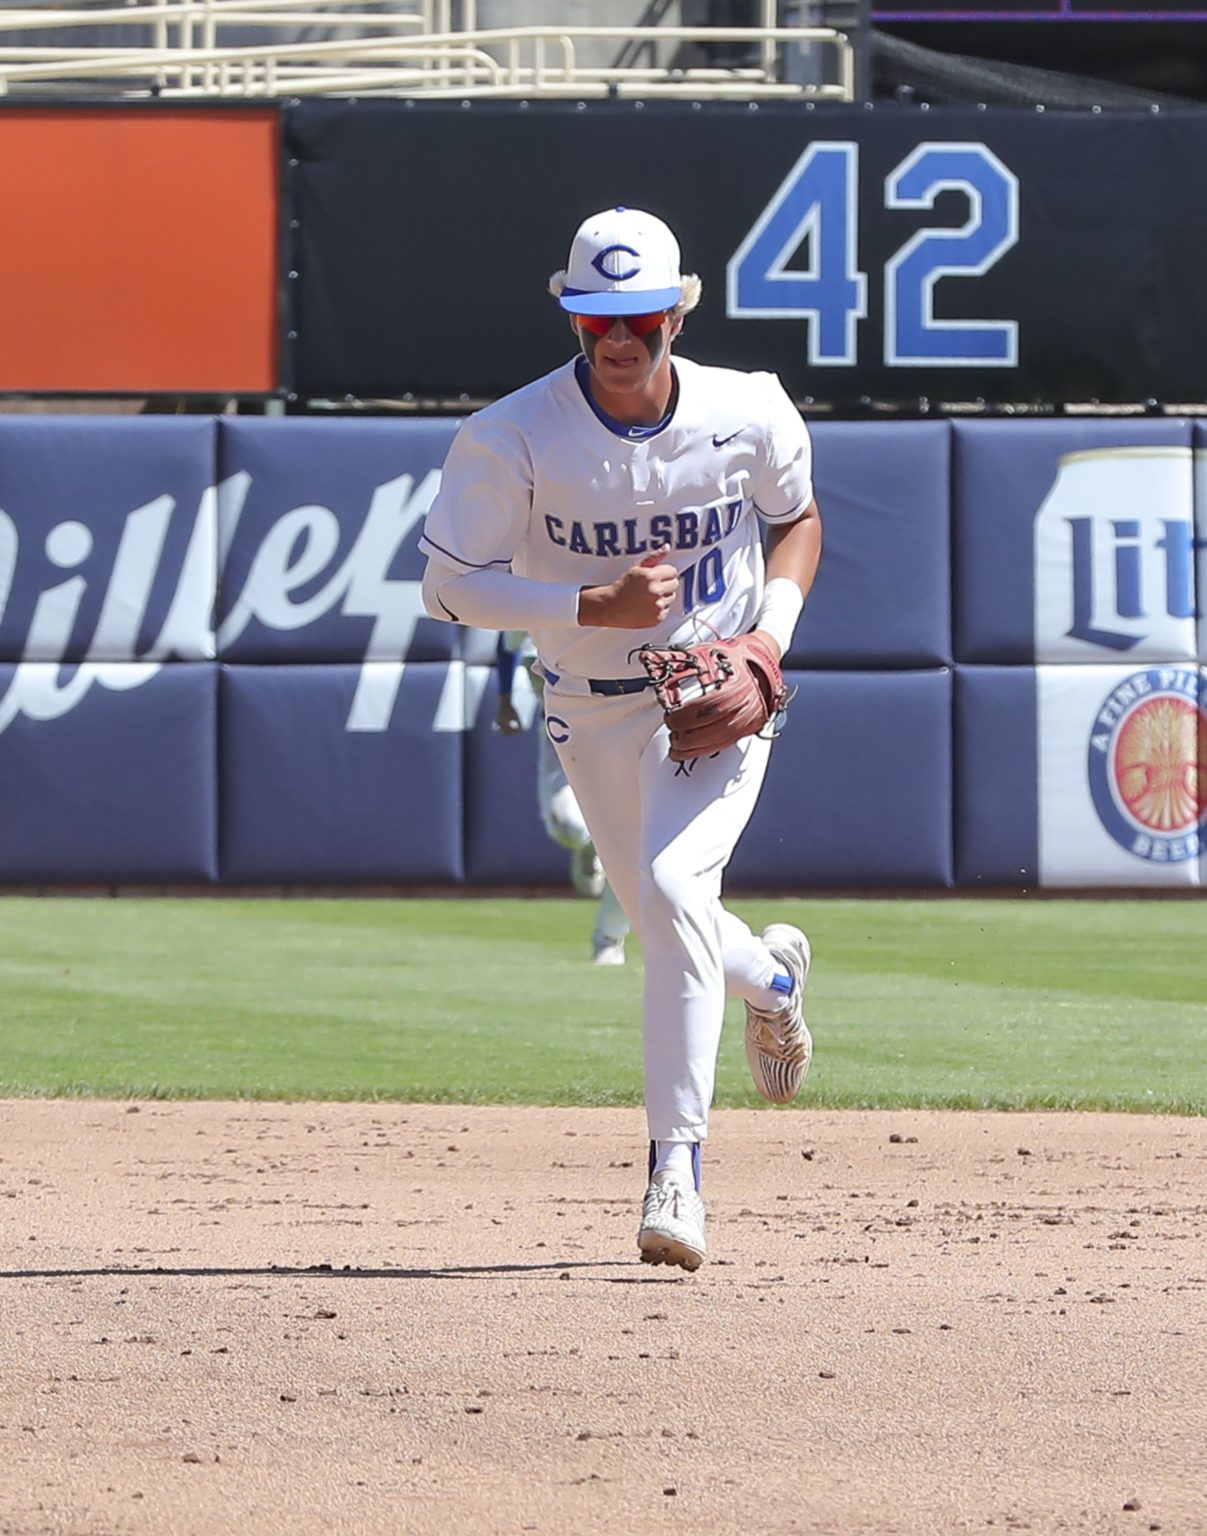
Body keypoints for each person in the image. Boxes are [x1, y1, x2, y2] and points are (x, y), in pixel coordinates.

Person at [421, 206, 822, 1271]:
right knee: (657, 915)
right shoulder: (510, 435)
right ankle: (774, 984)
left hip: (717, 689)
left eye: (637, 312)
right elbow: (448, 586)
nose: (618, 334)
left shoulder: (749, 411)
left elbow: (796, 518)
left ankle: (675, 1174)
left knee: (676, 890)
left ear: (676, 312)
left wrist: (768, 639)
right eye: (597, 316)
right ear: (572, 319)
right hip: (589, 700)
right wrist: (586, 602)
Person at [494, 631, 631, 966]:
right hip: (561, 733)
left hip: (626, 727)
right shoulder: (536, 594)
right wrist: (504, 699)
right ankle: (590, 845)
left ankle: (609, 940)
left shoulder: (618, 593)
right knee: (569, 826)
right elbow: (508, 644)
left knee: (631, 843)